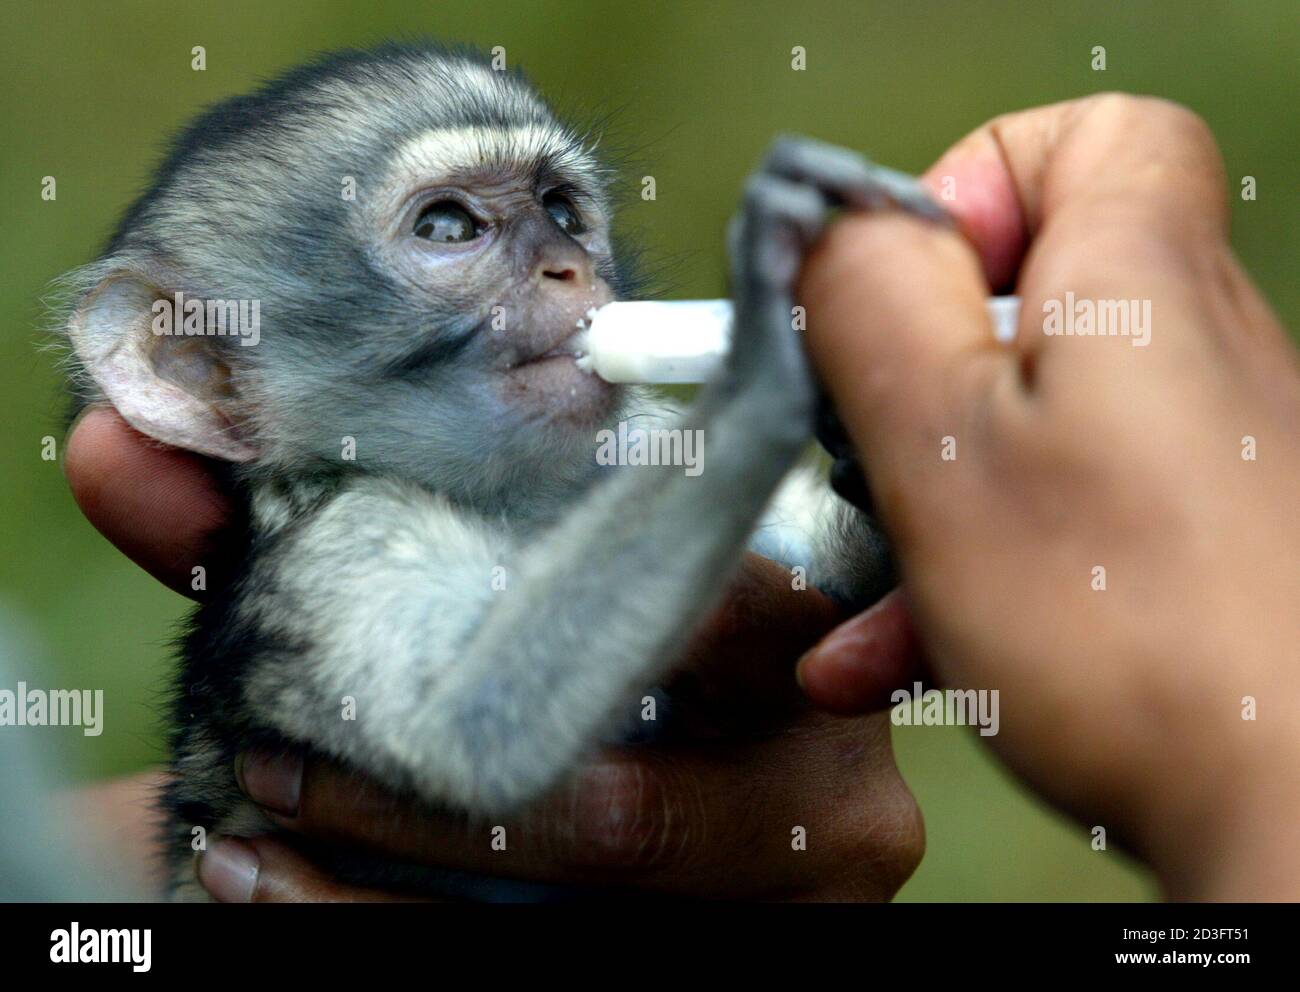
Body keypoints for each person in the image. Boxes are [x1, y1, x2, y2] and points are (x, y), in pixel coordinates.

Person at [63, 94, 1298, 902]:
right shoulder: (342, 546)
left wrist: (899, 451)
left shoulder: (639, 448)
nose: (559, 267)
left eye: (562, 212)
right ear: (206, 370)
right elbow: (482, 731)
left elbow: (820, 574)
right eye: (447, 223)